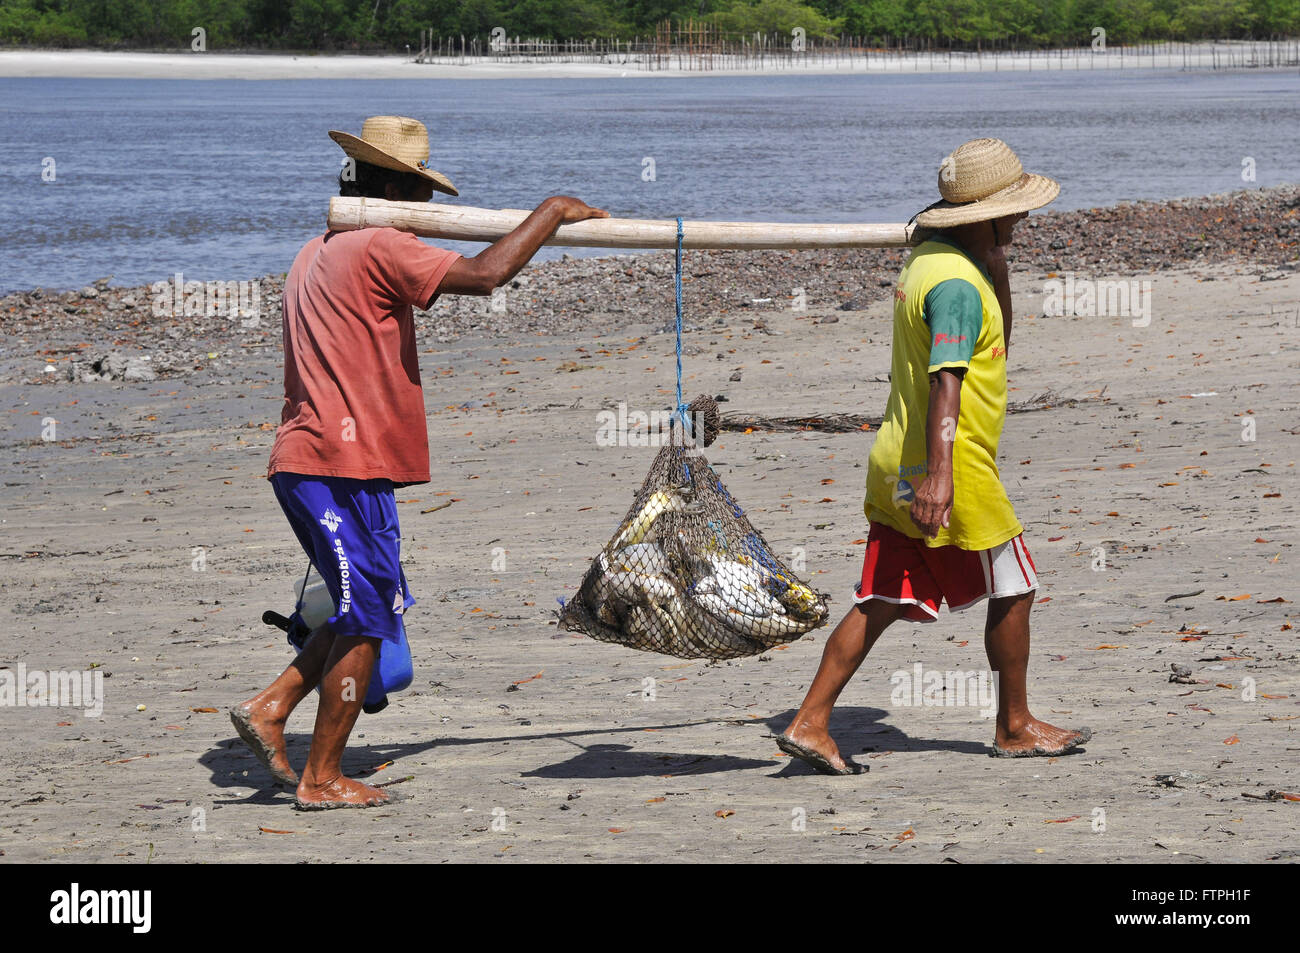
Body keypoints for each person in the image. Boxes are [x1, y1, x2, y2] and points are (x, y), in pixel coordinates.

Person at [230, 115, 607, 809]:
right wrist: (550, 211)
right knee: (368, 615)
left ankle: (272, 707)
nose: (426, 213)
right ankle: (320, 778)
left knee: (359, 606)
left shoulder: (315, 250)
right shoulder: (379, 245)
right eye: (417, 194)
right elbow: (487, 274)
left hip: (325, 462)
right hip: (332, 465)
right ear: (390, 188)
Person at [777, 138, 1091, 775]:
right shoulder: (954, 286)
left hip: (897, 457)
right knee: (1016, 584)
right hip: (948, 461)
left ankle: (810, 722)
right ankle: (1015, 724)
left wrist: (996, 258)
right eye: (1014, 211)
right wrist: (941, 475)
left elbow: (996, 335)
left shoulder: (934, 261)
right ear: (986, 216)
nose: (1025, 219)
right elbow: (948, 377)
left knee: (885, 597)